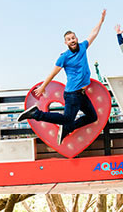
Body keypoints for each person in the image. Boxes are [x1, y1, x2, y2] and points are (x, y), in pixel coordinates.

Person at [18, 10, 107, 144]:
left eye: (73, 38)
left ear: (77, 39)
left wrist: (101, 21)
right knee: (67, 119)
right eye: (69, 39)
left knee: (92, 117)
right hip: (72, 94)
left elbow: (93, 34)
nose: (72, 40)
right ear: (66, 43)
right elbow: (53, 73)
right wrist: (43, 87)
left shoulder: (83, 47)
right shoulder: (64, 57)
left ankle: (67, 128)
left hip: (82, 94)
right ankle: (36, 114)